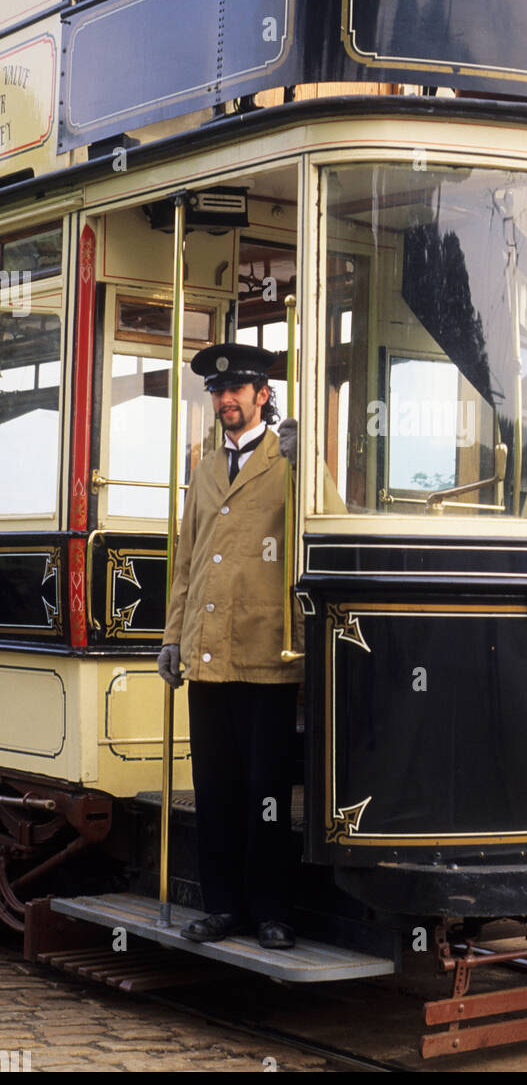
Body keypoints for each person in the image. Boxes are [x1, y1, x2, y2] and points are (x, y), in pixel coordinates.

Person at [157, 342, 303, 950]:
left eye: (237, 390)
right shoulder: (205, 463)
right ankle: (222, 908)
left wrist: (308, 466)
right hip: (208, 654)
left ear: (262, 396)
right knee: (215, 788)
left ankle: (270, 910)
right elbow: (187, 559)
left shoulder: (291, 460)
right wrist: (172, 639)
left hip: (269, 654)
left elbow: (320, 537)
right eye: (218, 393)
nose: (226, 400)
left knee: (265, 792)